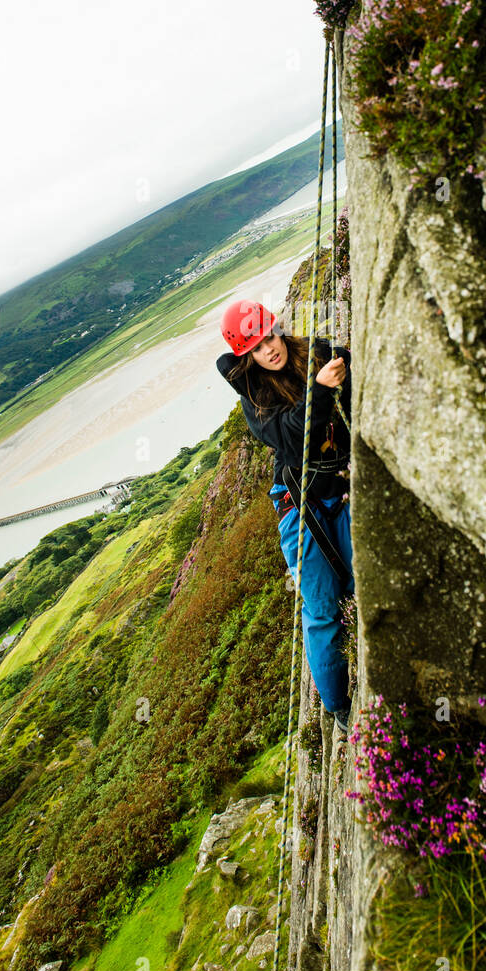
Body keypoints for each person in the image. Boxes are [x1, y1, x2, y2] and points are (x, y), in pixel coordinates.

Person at [216, 298, 354, 733]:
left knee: (359, 579)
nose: (270, 349)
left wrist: (341, 368)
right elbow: (291, 439)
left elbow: (343, 363)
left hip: (339, 485)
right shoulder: (254, 399)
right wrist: (320, 389)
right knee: (322, 607)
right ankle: (339, 706)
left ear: (278, 330)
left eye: (271, 336)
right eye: (257, 347)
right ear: (248, 356)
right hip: (299, 502)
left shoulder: (310, 351)